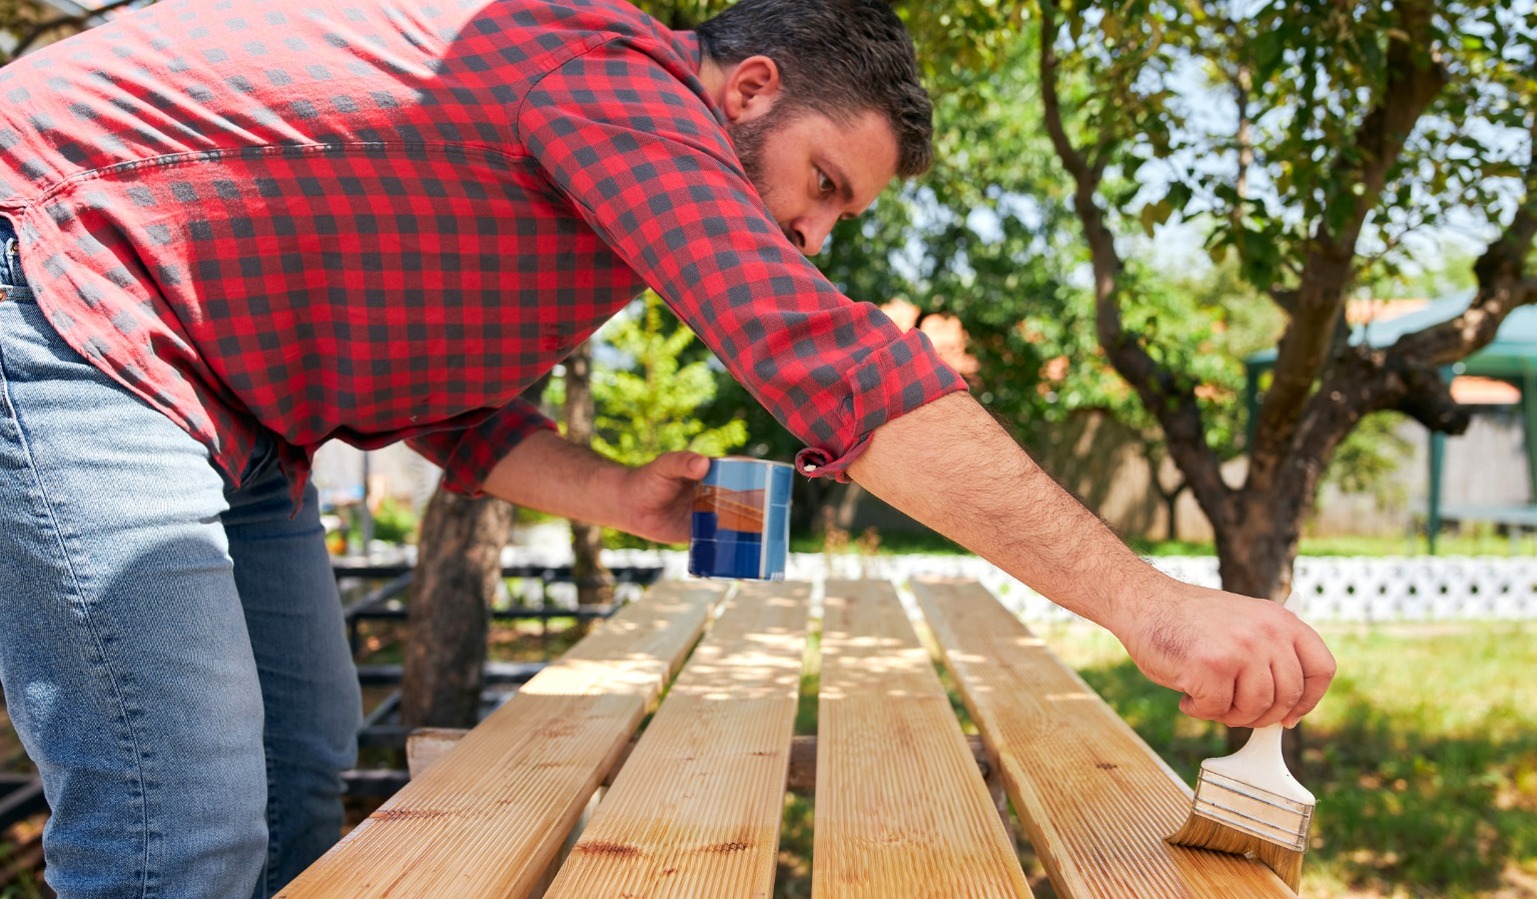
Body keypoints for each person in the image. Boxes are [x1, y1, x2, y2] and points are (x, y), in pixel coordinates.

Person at [0, 0, 1336, 894]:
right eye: (823, 184)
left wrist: (617, 494)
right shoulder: (610, 79)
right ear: (749, 87)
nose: (814, 234)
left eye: (841, 218)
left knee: (301, 761)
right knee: (180, 818)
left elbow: (453, 411)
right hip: (63, 275)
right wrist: (1149, 605)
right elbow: (811, 351)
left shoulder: (585, 200)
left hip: (236, 403)